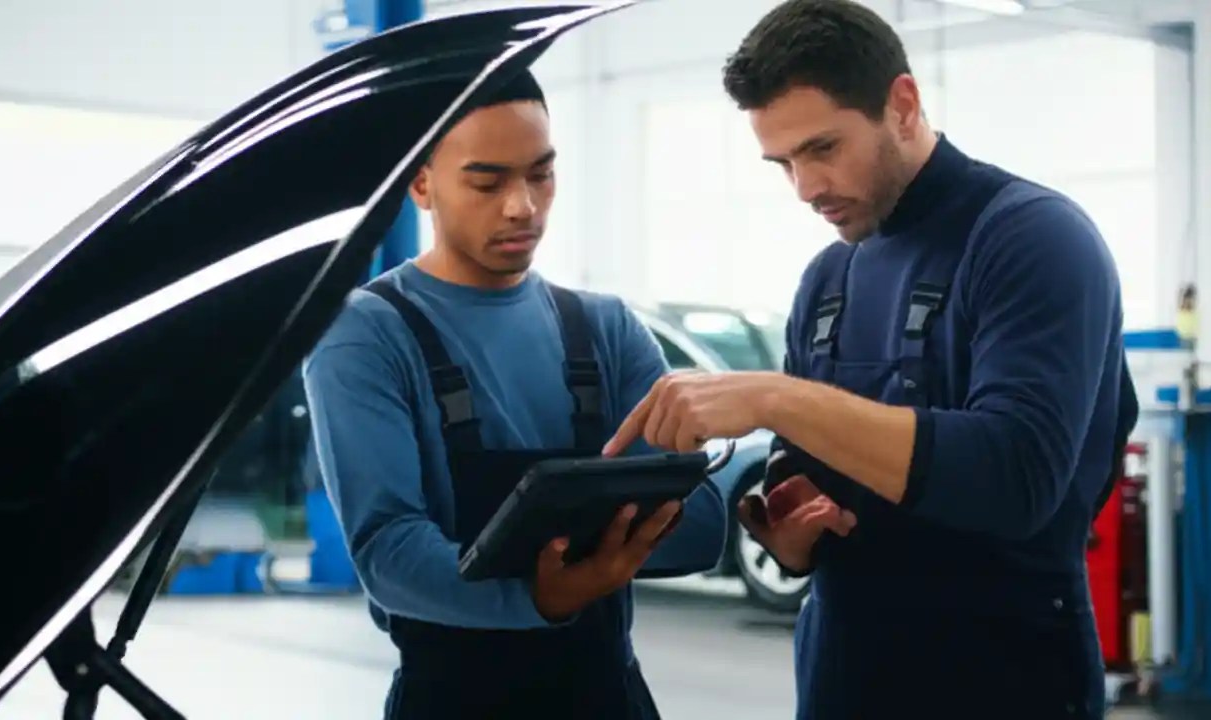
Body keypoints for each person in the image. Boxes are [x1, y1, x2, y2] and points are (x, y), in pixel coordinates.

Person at [602, 2, 1139, 718]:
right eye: (783, 162)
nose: (805, 187)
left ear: (904, 104)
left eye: (824, 148)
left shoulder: (1033, 239)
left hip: (1006, 679)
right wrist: (791, 535)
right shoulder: (827, 281)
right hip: (844, 677)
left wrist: (773, 397)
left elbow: (1019, 474)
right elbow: (797, 472)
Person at [302, 70, 727, 719]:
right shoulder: (364, 334)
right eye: (487, 180)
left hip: (609, 695)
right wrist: (543, 595)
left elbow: (700, 528)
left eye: (541, 174)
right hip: (453, 701)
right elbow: (388, 549)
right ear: (421, 182)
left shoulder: (607, 328)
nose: (522, 206)